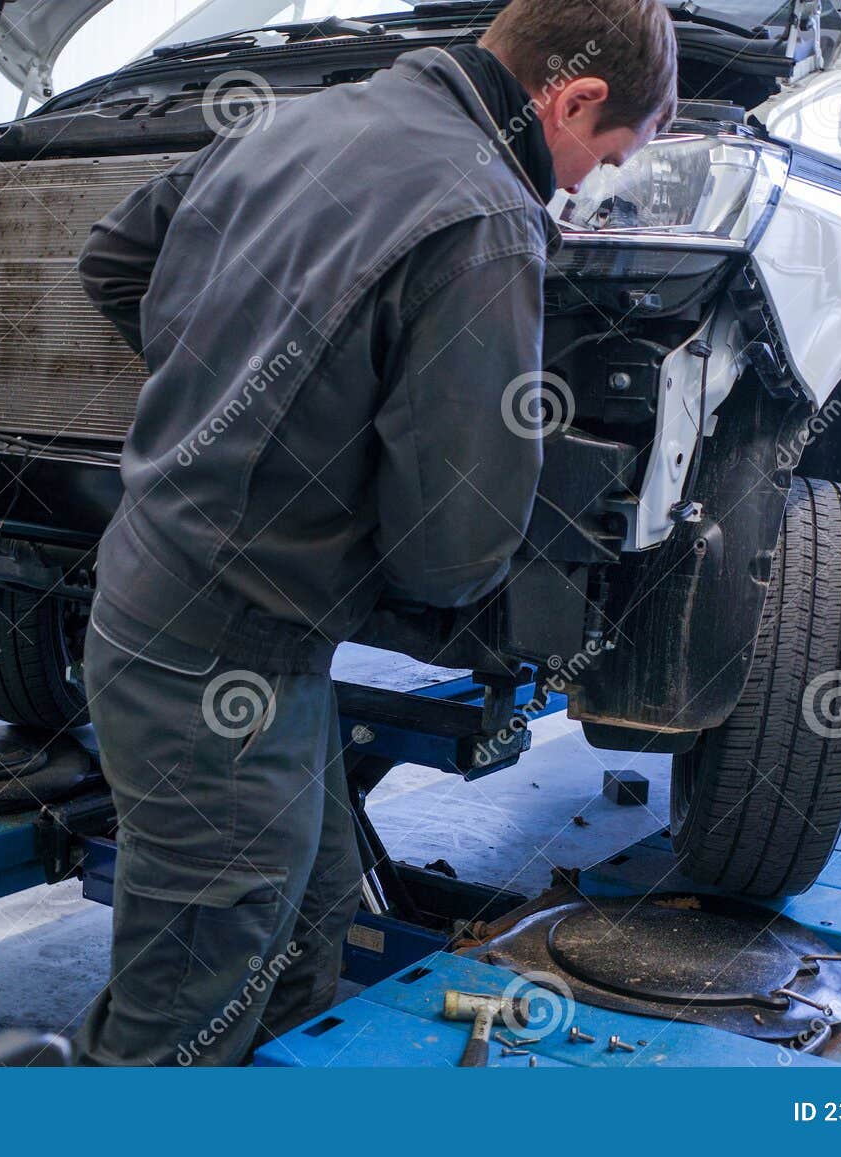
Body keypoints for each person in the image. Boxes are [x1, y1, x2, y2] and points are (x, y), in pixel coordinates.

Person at [75, 0, 677, 1066]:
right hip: (224, 646)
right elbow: (454, 541)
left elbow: (114, 258)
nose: (584, 187)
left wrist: (222, 393)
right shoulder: (484, 218)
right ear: (573, 97)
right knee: (186, 1000)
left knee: (298, 944)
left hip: (179, 605)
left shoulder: (295, 121)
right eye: (605, 154)